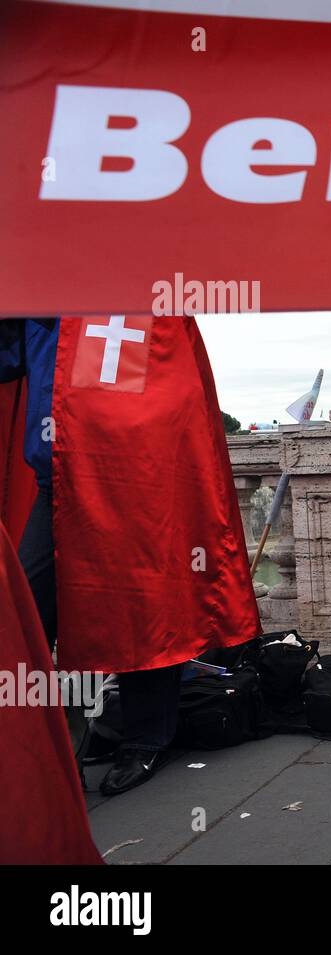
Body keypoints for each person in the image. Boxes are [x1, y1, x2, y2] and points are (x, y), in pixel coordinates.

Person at [0, 316, 260, 796]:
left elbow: (171, 393)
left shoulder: (148, 301)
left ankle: (145, 739)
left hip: (132, 484)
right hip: (55, 485)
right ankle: (52, 745)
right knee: (26, 617)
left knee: (143, 608)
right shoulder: (39, 302)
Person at [0, 521, 102, 863]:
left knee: (85, 614)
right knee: (31, 606)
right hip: (51, 482)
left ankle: (71, 753)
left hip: (97, 486)